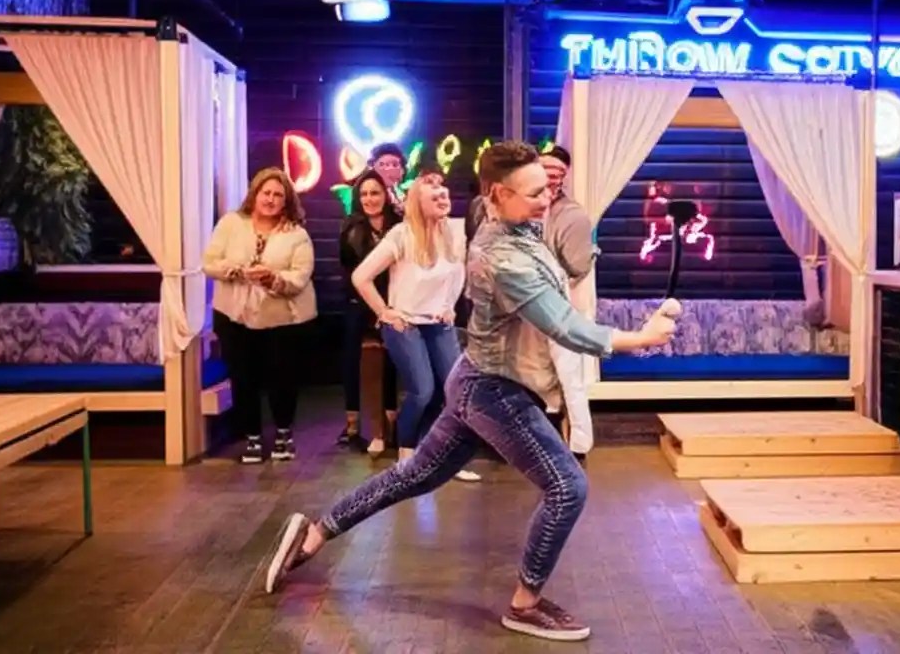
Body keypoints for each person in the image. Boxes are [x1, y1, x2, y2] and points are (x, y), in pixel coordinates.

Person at [262, 141, 677, 642]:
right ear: (499, 194)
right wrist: (639, 339)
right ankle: (525, 604)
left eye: (547, 188)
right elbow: (563, 325)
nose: (546, 199)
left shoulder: (518, 227)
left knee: (413, 476)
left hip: (475, 379)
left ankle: (314, 532)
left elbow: (561, 274)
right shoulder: (502, 256)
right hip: (493, 390)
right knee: (568, 487)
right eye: (534, 193)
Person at [351, 168, 480, 482]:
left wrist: (450, 305)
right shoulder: (402, 235)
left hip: (438, 321)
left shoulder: (456, 231)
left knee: (452, 390)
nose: (443, 199)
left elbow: (459, 274)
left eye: (445, 194)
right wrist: (385, 311)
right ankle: (407, 457)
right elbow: (361, 277)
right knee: (422, 390)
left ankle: (442, 456)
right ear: (418, 203)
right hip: (405, 323)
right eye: (435, 196)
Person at [203, 167, 316, 464]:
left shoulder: (297, 234)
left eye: (278, 195)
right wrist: (235, 270)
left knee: (282, 378)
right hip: (234, 315)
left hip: (283, 319)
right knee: (243, 377)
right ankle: (251, 437)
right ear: (254, 194)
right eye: (266, 192)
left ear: (286, 201)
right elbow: (209, 263)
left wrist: (271, 279)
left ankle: (283, 434)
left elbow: (300, 277)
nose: (271, 199)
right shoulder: (230, 223)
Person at [337, 150, 404, 453]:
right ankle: (360, 427)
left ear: (385, 195)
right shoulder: (351, 228)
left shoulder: (400, 225)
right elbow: (349, 271)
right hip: (360, 307)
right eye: (364, 194)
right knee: (358, 365)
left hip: (396, 303)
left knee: (394, 365)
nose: (369, 199)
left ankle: (392, 426)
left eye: (375, 193)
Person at [536, 146, 601, 458]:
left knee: (570, 376)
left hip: (563, 306)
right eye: (544, 169)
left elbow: (578, 266)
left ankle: (579, 445)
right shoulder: (526, 208)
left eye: (556, 171)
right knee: (536, 375)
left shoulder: (572, 214)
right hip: (530, 306)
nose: (551, 177)